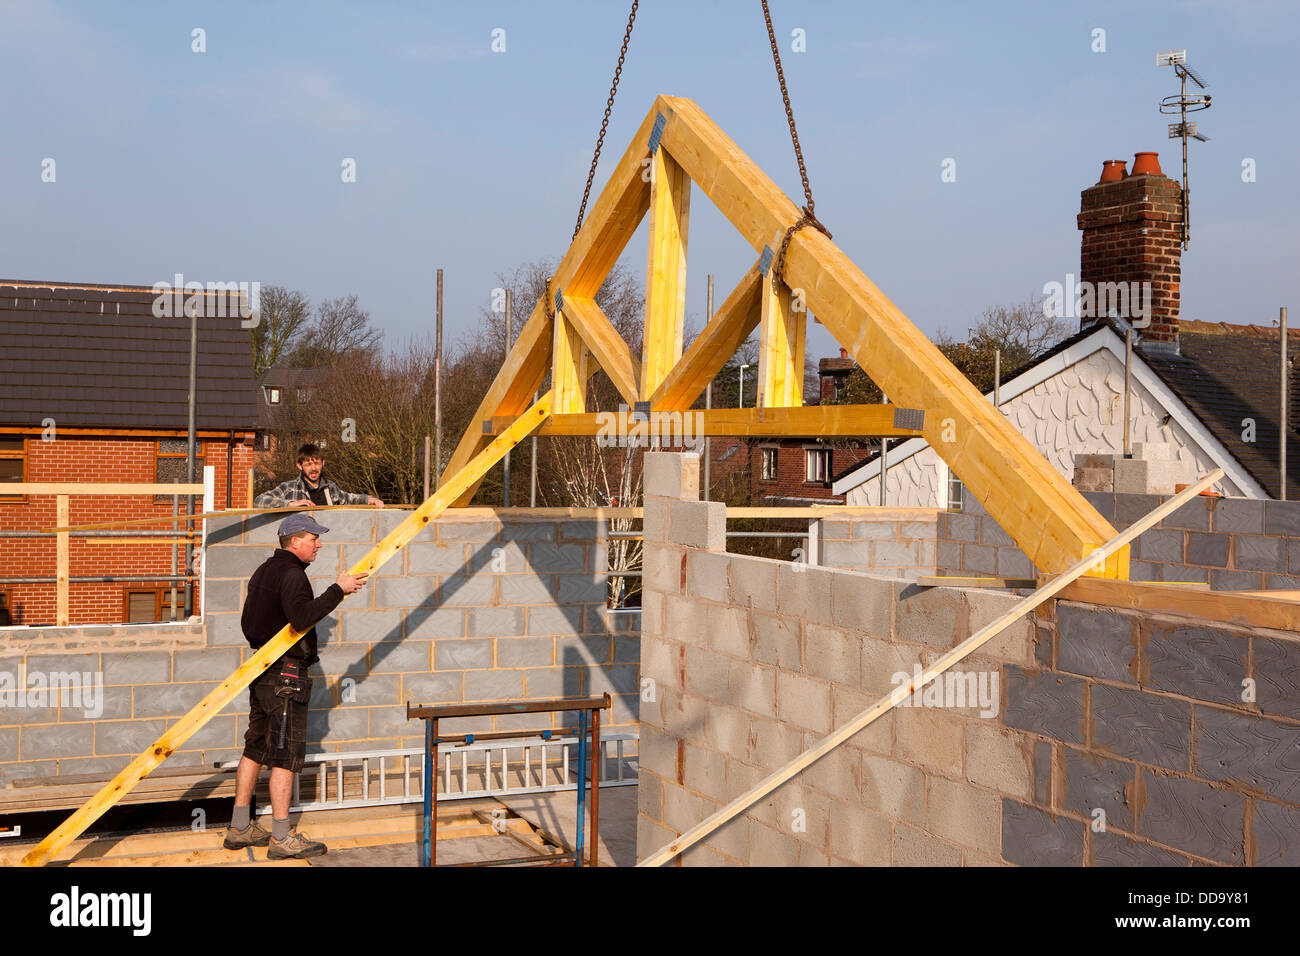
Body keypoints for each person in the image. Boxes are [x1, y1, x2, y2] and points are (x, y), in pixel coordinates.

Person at [222, 512, 368, 859]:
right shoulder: (292, 575)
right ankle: (282, 837)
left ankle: (240, 827)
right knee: (285, 754)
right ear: (294, 542)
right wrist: (339, 589)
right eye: (313, 539)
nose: (319, 544)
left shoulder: (264, 571)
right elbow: (302, 618)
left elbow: (250, 622)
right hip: (286, 676)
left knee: (255, 747)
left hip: (261, 668)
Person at [255, 442, 384, 509]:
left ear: (323, 463)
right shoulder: (289, 488)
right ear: (300, 466)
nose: (314, 468)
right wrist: (290, 504)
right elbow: (259, 501)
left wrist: (370, 500)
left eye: (317, 463)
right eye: (308, 464)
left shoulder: (331, 487)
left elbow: (350, 498)